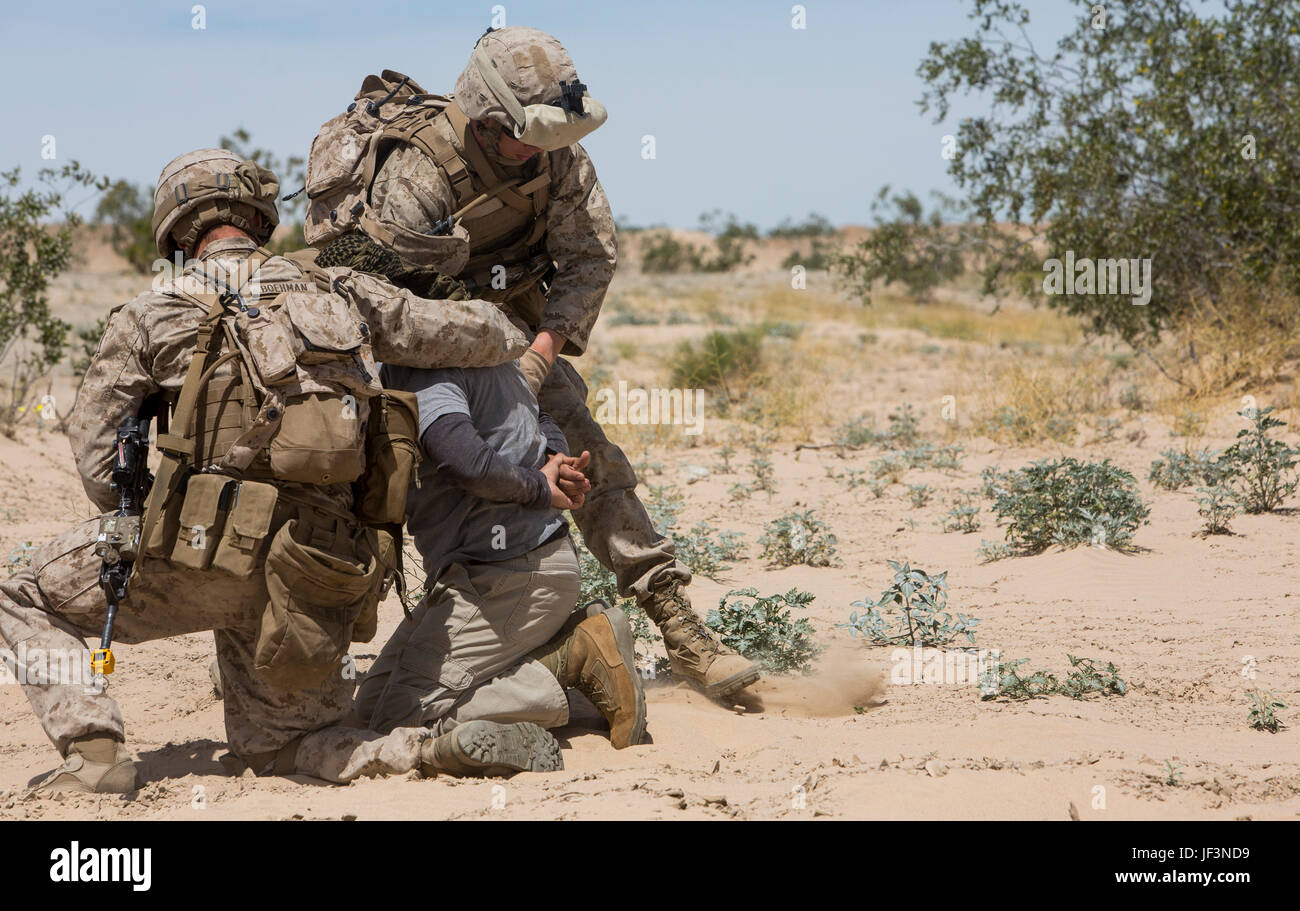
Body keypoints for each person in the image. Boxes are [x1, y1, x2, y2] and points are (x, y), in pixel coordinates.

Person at [0, 149, 563, 794]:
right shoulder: (338, 289)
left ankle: (96, 755)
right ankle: (426, 750)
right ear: (259, 220)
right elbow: (484, 333)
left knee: (21, 594)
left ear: (179, 233)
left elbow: (96, 456)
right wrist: (518, 320)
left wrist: (164, 517)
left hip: (199, 554)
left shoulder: (149, 313)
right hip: (320, 566)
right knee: (285, 747)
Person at [306, 25, 761, 698]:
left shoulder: (557, 155)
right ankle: (295, 646)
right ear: (487, 122)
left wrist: (538, 358)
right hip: (399, 339)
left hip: (508, 335)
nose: (547, 151)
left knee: (587, 452)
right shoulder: (417, 172)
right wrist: (470, 371)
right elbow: (381, 303)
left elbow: (589, 259)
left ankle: (675, 618)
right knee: (355, 482)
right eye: (530, 135)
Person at [355, 354, 647, 749]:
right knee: (366, 713)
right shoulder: (488, 350)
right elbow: (538, 416)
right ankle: (576, 694)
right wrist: (551, 457)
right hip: (490, 572)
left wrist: (539, 486)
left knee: (396, 726)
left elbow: (464, 460)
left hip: (508, 574)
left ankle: (570, 659)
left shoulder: (427, 364)